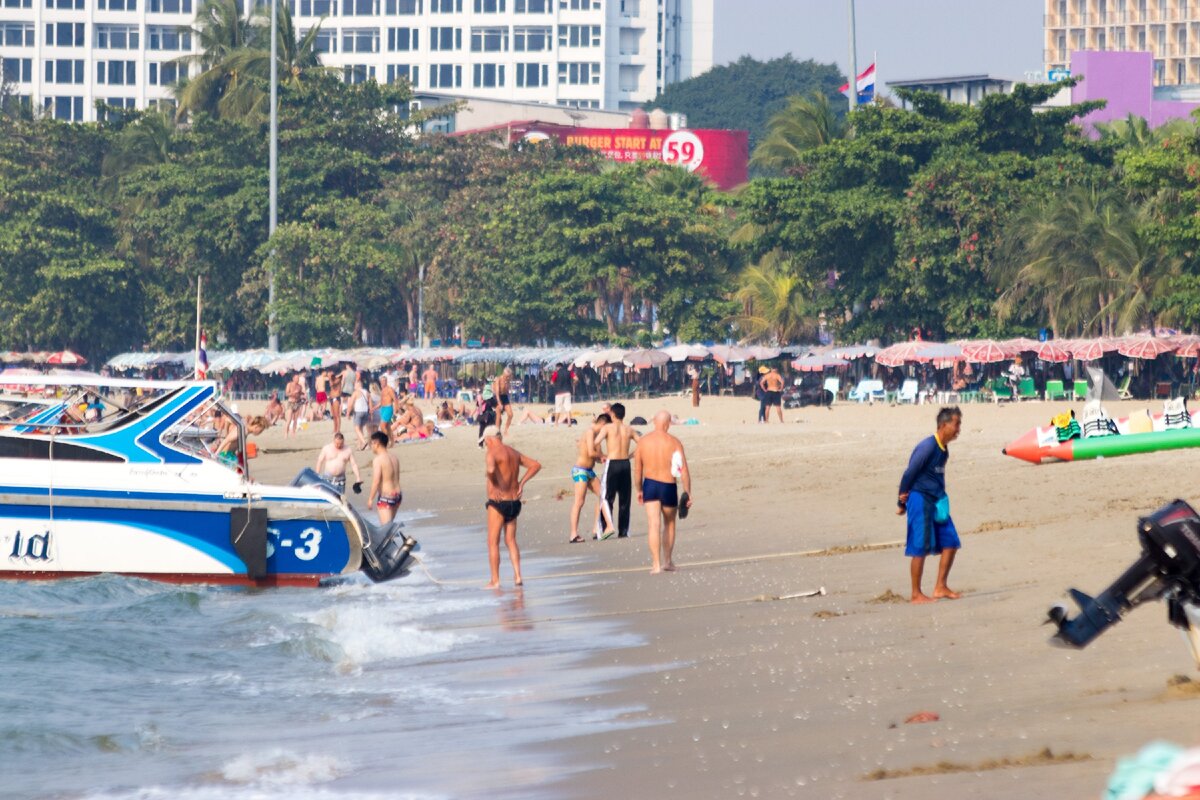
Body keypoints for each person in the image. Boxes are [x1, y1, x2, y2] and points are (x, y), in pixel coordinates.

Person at [897, 406, 963, 604]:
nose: (959, 428)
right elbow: (909, 473)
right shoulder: (927, 446)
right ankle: (916, 594)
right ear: (944, 425)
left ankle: (940, 587)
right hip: (919, 499)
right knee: (920, 546)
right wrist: (901, 501)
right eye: (956, 424)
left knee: (951, 543)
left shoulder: (944, 450)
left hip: (937, 500)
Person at [480, 425, 541, 588]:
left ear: (489, 439)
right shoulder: (513, 452)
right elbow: (536, 465)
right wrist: (522, 483)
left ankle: (495, 580)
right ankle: (518, 576)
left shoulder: (491, 452)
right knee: (511, 540)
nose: (485, 444)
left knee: (492, 542)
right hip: (514, 502)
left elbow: (491, 469)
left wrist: (494, 484)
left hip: (499, 502)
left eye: (485, 441)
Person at [634, 410, 692, 574]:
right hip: (668, 485)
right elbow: (684, 470)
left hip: (650, 484)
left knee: (653, 524)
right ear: (667, 424)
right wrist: (687, 492)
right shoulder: (674, 442)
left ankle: (656, 564)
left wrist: (639, 490)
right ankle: (668, 561)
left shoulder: (643, 442)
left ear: (654, 423)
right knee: (670, 523)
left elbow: (638, 470)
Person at [569, 413, 615, 543]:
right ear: (603, 424)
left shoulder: (597, 437)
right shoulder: (590, 432)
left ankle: (596, 529)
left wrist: (604, 458)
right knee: (579, 502)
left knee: (602, 495)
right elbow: (590, 452)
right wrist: (605, 456)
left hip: (589, 471)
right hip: (580, 471)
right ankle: (573, 534)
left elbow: (597, 456)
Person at [595, 402, 639, 539]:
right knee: (625, 499)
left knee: (606, 497)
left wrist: (601, 455)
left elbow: (596, 442)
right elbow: (642, 443)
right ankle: (623, 531)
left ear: (612, 414)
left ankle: (605, 528)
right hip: (625, 463)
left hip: (612, 463)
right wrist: (631, 455)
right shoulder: (629, 429)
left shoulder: (608, 428)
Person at [368, 430, 402, 524]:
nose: (371, 447)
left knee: (386, 530)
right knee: (389, 527)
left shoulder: (378, 460)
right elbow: (397, 478)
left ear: (377, 443)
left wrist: (370, 499)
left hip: (387, 496)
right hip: (397, 495)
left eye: (372, 444)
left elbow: (376, 481)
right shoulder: (394, 458)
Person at [349, 379, 372, 450]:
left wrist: (348, 413)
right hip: (365, 412)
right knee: (361, 429)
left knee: (357, 429)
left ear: (358, 385)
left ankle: (364, 442)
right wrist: (371, 414)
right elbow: (370, 404)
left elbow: (351, 404)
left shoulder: (356, 392)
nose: (354, 386)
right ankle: (360, 446)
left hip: (358, 412)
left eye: (355, 384)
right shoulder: (367, 392)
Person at [493, 367, 514, 436]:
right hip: (498, 397)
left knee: (510, 414)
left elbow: (507, 392)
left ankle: (506, 430)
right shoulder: (498, 379)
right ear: (503, 374)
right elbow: (497, 392)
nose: (508, 378)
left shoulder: (508, 380)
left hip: (504, 397)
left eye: (509, 376)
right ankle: (497, 431)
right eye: (507, 376)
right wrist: (499, 403)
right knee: (498, 416)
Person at [379, 375, 397, 440]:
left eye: (384, 381)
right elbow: (380, 402)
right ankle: (392, 440)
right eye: (382, 381)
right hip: (382, 408)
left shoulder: (389, 389)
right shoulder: (382, 390)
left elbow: (395, 399)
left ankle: (387, 440)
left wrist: (396, 410)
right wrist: (373, 408)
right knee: (387, 427)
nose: (383, 382)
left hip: (388, 408)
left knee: (382, 426)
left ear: (386, 381)